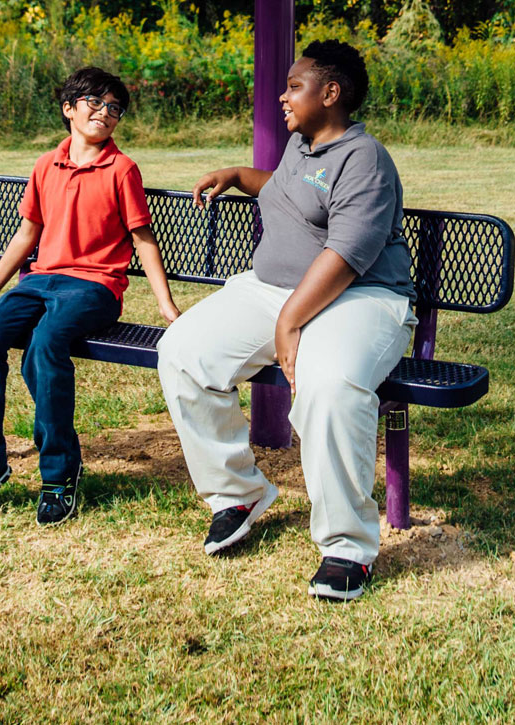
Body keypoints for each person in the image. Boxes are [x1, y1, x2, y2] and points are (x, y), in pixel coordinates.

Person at [158, 39, 416, 602]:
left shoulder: (363, 159)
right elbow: (287, 193)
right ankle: (237, 494)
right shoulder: (303, 147)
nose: (283, 96)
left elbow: (349, 252)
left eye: (295, 86)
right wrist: (238, 174)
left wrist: (290, 321)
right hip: (273, 292)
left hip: (360, 298)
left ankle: (347, 546)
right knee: (183, 351)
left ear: (331, 93)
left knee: (329, 387)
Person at [0, 66, 179, 527]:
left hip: (95, 288)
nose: (106, 113)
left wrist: (166, 306)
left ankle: (59, 473)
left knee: (46, 346)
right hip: (37, 281)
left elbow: (144, 240)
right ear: (68, 109)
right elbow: (27, 232)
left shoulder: (122, 169)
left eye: (115, 108)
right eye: (95, 102)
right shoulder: (45, 166)